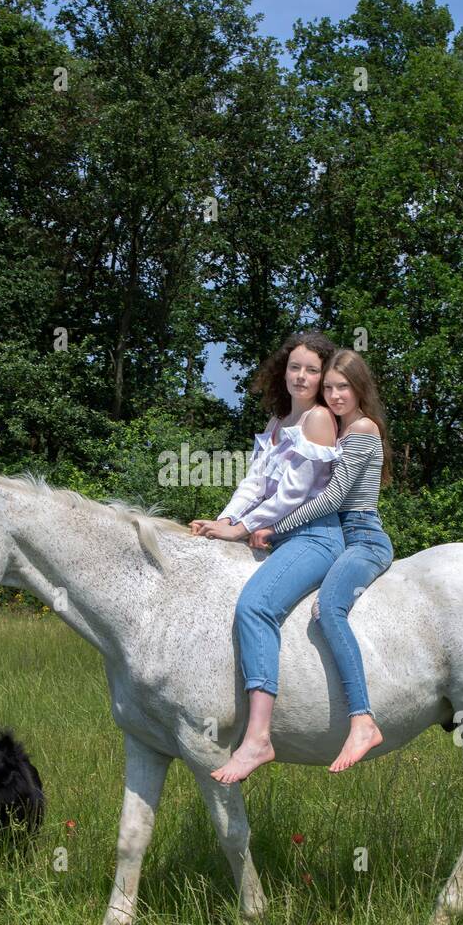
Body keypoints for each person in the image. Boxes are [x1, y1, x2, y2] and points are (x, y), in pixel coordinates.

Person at [190, 331, 343, 784]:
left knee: (255, 606)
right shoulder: (279, 421)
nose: (301, 376)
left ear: (323, 377)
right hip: (275, 535)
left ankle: (258, 738)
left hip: (315, 536)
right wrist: (224, 521)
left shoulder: (317, 420)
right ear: (284, 370)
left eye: (312, 370)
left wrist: (240, 529)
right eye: (295, 367)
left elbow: (292, 495)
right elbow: (255, 485)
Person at [250, 349, 394, 771]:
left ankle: (363, 720)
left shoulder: (363, 429)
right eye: (328, 388)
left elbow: (332, 497)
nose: (333, 395)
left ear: (360, 388)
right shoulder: (341, 428)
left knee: (329, 610)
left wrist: (277, 527)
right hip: (343, 537)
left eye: (342, 387)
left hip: (364, 538)